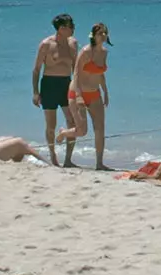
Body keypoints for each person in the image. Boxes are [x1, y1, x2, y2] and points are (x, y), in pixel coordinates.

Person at [61, 22, 112, 170]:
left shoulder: (104, 52)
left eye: (105, 33)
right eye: (100, 33)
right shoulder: (85, 51)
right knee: (82, 131)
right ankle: (63, 133)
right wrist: (78, 96)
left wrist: (105, 91)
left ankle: (99, 163)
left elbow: (100, 73)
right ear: (93, 35)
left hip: (94, 93)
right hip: (77, 92)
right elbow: (76, 74)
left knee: (100, 128)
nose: (103, 36)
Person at [31, 13, 79, 167]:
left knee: (72, 121)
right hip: (49, 85)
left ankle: (68, 159)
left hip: (66, 84)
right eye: (70, 26)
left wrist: (78, 89)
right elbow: (36, 69)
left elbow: (75, 69)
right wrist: (36, 92)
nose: (73, 28)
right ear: (61, 28)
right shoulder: (46, 44)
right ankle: (53, 157)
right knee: (51, 124)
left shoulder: (73, 43)